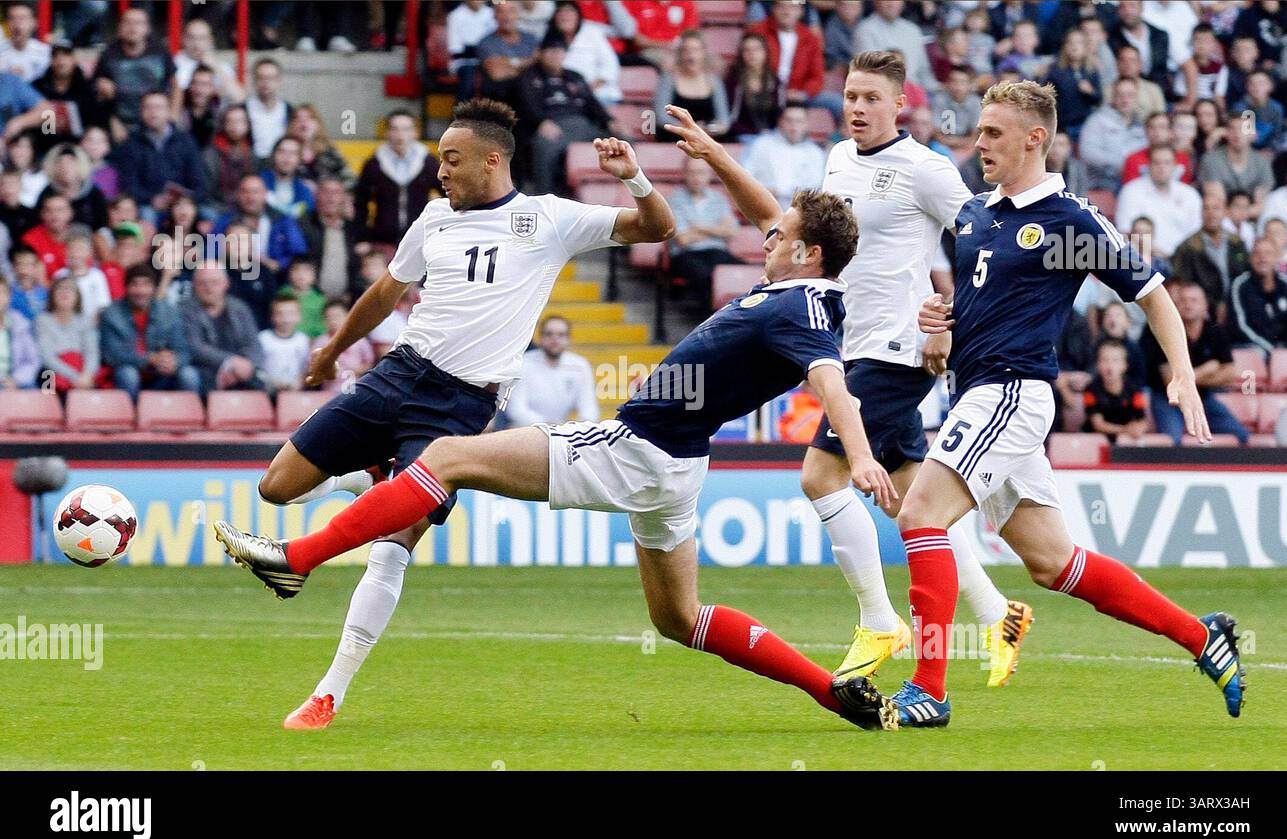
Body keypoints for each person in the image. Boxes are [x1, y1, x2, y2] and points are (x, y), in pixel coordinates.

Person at [215, 184, 904, 735]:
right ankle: (830, 691)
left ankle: (298, 558)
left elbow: (830, 383)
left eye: (781, 233)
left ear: (808, 253)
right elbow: (774, 223)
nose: (767, 234)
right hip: (679, 464)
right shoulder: (803, 289)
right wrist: (710, 155)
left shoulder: (801, 309)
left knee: (448, 456)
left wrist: (864, 455)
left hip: (638, 446)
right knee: (678, 616)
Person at [212, 98, 675, 731]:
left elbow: (657, 228)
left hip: (459, 404)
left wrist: (634, 175)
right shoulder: (434, 218)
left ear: (493, 160)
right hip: (397, 373)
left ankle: (328, 694)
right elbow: (386, 291)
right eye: (439, 162)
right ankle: (375, 476)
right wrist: (334, 351)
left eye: (451, 161)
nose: (442, 174)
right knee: (276, 488)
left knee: (391, 546)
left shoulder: (549, 219)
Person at [669, 52, 1030, 689]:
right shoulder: (837, 160)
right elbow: (782, 225)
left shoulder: (926, 169)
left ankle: (879, 618)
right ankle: (999, 612)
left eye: (870, 97)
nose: (857, 107)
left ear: (900, 104)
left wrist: (948, 315)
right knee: (917, 505)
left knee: (819, 475)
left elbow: (987, 244)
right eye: (849, 95)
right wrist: (716, 154)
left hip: (893, 352)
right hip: (848, 343)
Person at [901, 81, 1243, 728]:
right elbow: (970, 317)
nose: (979, 143)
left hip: (1013, 392)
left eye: (993, 133)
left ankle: (929, 689)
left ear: (1036, 138)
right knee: (1054, 564)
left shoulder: (1069, 220)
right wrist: (939, 331)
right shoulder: (974, 215)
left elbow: (1153, 293)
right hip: (977, 393)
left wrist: (1184, 374)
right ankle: (1205, 637)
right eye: (978, 129)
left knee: (920, 514)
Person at [1140, 280, 1250, 446]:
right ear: (1174, 305)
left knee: (1241, 435)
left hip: (1203, 397)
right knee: (1172, 440)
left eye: (1194, 300)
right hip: (1169, 398)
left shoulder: (1214, 330)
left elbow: (1229, 374)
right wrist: (1208, 369)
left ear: (1205, 305)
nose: (1188, 305)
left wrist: (1191, 378)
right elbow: (1169, 378)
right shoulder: (1159, 329)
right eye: (1183, 300)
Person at [519, 32, 623, 195]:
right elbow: (527, 105)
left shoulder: (575, 77)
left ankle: (627, 193)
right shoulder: (529, 76)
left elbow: (592, 103)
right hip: (553, 126)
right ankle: (543, 196)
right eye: (551, 51)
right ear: (540, 53)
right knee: (543, 145)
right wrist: (540, 122)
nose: (556, 55)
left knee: (624, 141)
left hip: (584, 125)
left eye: (560, 51)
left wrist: (609, 120)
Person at [99, 263, 199, 399]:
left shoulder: (168, 311)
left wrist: (174, 361)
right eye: (135, 284)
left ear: (154, 288)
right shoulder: (112, 314)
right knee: (128, 373)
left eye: (146, 284)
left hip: (162, 374)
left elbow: (184, 351)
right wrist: (149, 359)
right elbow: (112, 355)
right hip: (130, 373)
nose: (141, 291)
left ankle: (187, 418)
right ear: (126, 287)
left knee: (189, 374)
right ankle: (130, 418)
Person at [110, 90, 210, 221]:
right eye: (148, 107)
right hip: (148, 204)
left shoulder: (186, 141)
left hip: (184, 203)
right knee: (147, 216)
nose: (153, 112)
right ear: (141, 112)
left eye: (158, 107)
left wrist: (186, 199)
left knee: (210, 216)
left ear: (168, 111)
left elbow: (200, 183)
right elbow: (129, 186)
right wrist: (152, 199)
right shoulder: (131, 144)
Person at [352, 111, 442, 249]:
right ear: (387, 133)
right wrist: (361, 238)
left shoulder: (428, 162)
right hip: (383, 240)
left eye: (406, 129)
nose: (400, 136)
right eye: (395, 129)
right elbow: (360, 203)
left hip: (420, 240)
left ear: (415, 133)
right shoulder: (374, 164)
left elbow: (449, 194)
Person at [665, 157, 740, 310]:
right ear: (684, 174)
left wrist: (701, 228)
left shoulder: (718, 198)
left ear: (709, 175)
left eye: (701, 172)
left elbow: (732, 231)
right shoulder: (674, 200)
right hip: (686, 255)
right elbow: (683, 240)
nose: (696, 177)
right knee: (706, 276)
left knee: (742, 271)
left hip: (717, 252)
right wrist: (718, 231)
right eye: (692, 172)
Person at [180, 262, 264, 394]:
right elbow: (195, 347)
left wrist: (246, 366)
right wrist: (229, 363)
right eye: (203, 283)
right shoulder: (185, 310)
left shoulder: (240, 309)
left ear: (226, 283)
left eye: (214, 282)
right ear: (194, 284)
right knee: (189, 376)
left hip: (240, 370)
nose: (208, 288)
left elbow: (254, 345)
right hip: (203, 369)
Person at [501, 315, 599, 427]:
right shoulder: (523, 363)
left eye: (561, 335)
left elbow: (589, 407)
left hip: (562, 432)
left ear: (569, 339)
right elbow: (516, 410)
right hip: (526, 430)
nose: (555, 339)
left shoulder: (580, 365)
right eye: (549, 334)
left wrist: (582, 426)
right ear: (540, 338)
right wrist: (548, 425)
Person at [90, 7, 174, 136]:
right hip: (121, 122)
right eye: (127, 22)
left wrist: (173, 115)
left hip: (155, 118)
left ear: (147, 28)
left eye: (138, 23)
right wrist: (113, 119)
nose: (132, 27)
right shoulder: (109, 54)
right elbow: (98, 90)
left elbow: (176, 84)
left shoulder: (160, 52)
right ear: (120, 28)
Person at [1115, 145, 1203, 259]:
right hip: (1147, 259)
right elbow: (1126, 233)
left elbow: (1197, 234)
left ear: (1175, 166)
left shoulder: (1190, 194)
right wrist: (1165, 257)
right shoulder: (1131, 191)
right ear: (1148, 165)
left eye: (1167, 163)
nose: (1162, 167)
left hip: (1186, 260)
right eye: (1157, 163)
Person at [1172, 189, 1251, 309]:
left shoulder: (1237, 243)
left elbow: (1246, 275)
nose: (1211, 213)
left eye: (1216, 208)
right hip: (1204, 311)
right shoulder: (1187, 248)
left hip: (1239, 304)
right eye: (1206, 208)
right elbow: (1184, 283)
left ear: (1225, 212)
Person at [740, 105, 825, 210]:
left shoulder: (815, 153)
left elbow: (816, 188)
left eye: (799, 121)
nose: (794, 126)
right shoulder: (761, 145)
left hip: (803, 213)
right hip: (762, 208)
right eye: (789, 121)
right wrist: (764, 192)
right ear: (780, 121)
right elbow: (744, 178)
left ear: (806, 124)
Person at [1227, 236, 1287, 354]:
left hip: (1286, 350)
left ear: (1277, 258)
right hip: (1254, 349)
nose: (1263, 258)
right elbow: (1240, 326)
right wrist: (1271, 350)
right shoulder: (1240, 285)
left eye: (1268, 253)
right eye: (1257, 253)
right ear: (1250, 258)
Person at [746, 0, 825, 108]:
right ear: (774, 9)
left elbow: (817, 76)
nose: (787, 12)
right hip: (766, 93)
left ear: (801, 11)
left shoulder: (811, 38)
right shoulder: (759, 32)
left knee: (837, 104)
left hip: (799, 94)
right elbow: (749, 66)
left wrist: (804, 94)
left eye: (792, 7)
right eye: (781, 6)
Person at [653, 30, 727, 142]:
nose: (691, 55)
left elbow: (723, 121)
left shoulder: (713, 80)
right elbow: (661, 116)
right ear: (680, 54)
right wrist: (689, 128)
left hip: (707, 137)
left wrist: (709, 129)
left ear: (704, 52)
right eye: (686, 50)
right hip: (676, 136)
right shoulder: (669, 79)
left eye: (695, 50)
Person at [1077, 76, 1147, 193]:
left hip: (1136, 181)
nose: (1125, 100)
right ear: (1113, 97)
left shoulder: (1142, 125)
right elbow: (1088, 153)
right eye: (1120, 95)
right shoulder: (1096, 121)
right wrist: (1123, 164)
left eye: (1130, 95)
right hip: (1103, 183)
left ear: (1136, 97)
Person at [299, 178, 363, 302]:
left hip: (347, 302)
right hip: (311, 300)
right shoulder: (304, 226)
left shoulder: (354, 230)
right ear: (317, 196)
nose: (331, 198)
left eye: (336, 193)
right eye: (326, 192)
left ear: (345, 198)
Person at [548, 0, 622, 105]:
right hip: (563, 98)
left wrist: (587, 89)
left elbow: (610, 65)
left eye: (569, 11)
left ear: (578, 16)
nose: (564, 16)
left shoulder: (592, 32)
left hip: (599, 95)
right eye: (560, 12)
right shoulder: (550, 38)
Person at [37, 276, 99, 393]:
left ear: (77, 296)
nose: (64, 292)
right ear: (52, 295)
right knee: (46, 375)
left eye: (69, 289)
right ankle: (49, 409)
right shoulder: (43, 320)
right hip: (55, 370)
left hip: (82, 371)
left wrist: (87, 374)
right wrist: (74, 376)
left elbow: (92, 352)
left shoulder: (85, 321)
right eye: (60, 289)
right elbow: (46, 356)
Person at [1083, 339, 1148, 443]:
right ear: (1098, 364)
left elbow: (1142, 420)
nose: (1110, 366)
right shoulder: (1090, 389)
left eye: (1115, 360)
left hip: (1125, 442)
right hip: (1095, 441)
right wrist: (1126, 429)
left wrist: (1138, 429)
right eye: (1104, 360)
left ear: (1125, 365)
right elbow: (1098, 424)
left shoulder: (1135, 390)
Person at [477, 0, 540, 107]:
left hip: (531, 93)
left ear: (518, 14)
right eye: (501, 11)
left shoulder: (531, 39)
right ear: (495, 15)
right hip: (502, 95)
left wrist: (506, 62)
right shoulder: (486, 42)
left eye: (512, 11)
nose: (507, 17)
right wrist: (526, 65)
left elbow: (538, 63)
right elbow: (497, 73)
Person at [725, 32, 783, 142]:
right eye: (747, 50)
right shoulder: (734, 82)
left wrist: (770, 133)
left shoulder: (775, 81)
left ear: (765, 52)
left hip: (772, 136)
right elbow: (731, 118)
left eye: (757, 49)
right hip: (744, 135)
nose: (752, 54)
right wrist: (757, 134)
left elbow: (781, 114)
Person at [312, 299, 373, 393]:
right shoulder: (321, 342)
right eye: (329, 317)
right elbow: (314, 368)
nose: (333, 321)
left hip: (356, 391)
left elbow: (370, 362)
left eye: (337, 316)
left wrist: (358, 370)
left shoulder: (359, 339)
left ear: (348, 316)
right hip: (328, 392)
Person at [258, 293, 310, 394]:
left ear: (299, 316)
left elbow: (306, 367)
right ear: (273, 317)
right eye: (280, 313)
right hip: (268, 392)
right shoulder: (263, 338)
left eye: (291, 313)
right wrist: (271, 382)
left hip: (296, 391)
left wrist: (299, 382)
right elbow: (257, 368)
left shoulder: (303, 340)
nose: (286, 318)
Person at [258, 136, 315, 221]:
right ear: (273, 155)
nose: (287, 157)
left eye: (293, 153)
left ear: (300, 159)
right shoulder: (258, 183)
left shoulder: (305, 191)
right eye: (282, 152)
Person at [246, 58, 291, 160]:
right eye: (261, 77)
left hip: (282, 163)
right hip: (252, 165)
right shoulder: (243, 109)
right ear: (254, 80)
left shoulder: (289, 110)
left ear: (279, 81)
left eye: (270, 78)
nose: (265, 82)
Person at [0, 1, 50, 82]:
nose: (17, 23)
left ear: (34, 23)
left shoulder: (45, 52)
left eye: (22, 18)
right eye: (12, 18)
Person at [0, 277, 37, 388]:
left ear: (9, 297)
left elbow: (32, 361)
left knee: (40, 391)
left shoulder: (21, 324)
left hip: (16, 382)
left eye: (1, 292)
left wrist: (16, 379)